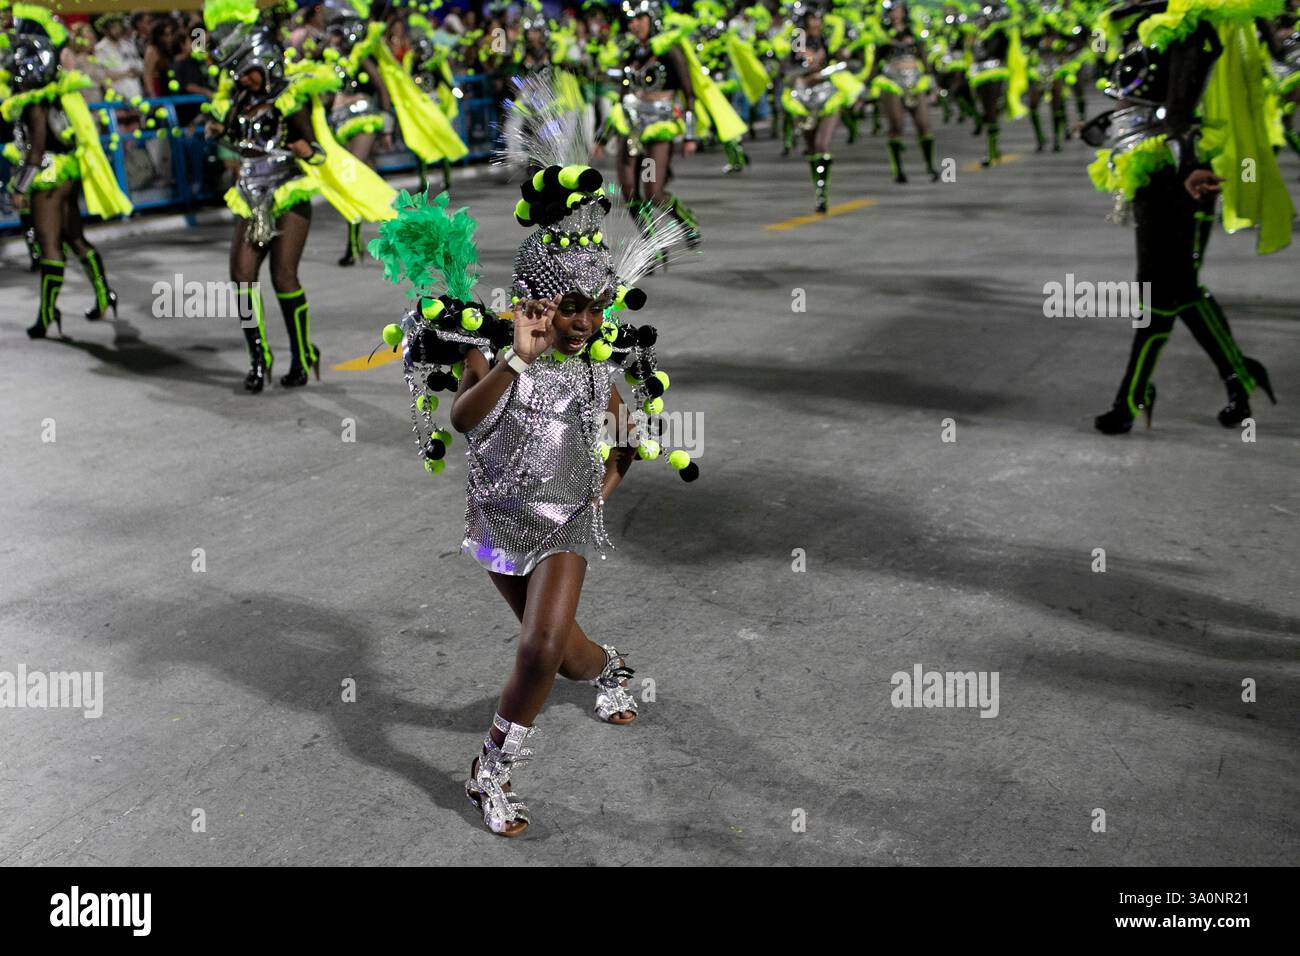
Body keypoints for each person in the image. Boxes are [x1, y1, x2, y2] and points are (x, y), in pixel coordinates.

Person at [371, 76, 700, 836]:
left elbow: (622, 438)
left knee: (539, 646)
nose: (588, 320)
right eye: (572, 307)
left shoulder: (595, 359)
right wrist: (518, 359)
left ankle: (489, 769)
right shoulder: (490, 346)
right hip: (496, 518)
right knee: (562, 656)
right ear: (537, 303)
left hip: (565, 524)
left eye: (597, 304)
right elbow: (463, 422)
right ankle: (609, 666)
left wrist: (599, 494)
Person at [1084, 0, 1292, 433]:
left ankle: (1133, 397)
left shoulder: (1188, 22)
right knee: (1174, 287)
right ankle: (1237, 375)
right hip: (1145, 163)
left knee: (1161, 288)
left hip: (1177, 169)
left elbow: (1182, 104)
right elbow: (1140, 92)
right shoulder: (1140, 19)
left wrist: (1190, 166)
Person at [202, 0, 397, 391]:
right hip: (250, 196)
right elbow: (241, 138)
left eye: (250, 71)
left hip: (288, 194)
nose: (245, 78)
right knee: (241, 277)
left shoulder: (289, 97)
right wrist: (217, 131)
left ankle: (301, 354)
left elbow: (317, 148)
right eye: (240, 72)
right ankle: (259, 358)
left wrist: (306, 149)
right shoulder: (237, 100)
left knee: (282, 276)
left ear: (263, 61)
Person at [3, 5, 133, 337]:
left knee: (50, 246)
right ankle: (105, 296)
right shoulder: (58, 93)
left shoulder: (35, 101)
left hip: (48, 175)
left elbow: (36, 150)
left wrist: (19, 189)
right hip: (67, 170)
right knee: (74, 237)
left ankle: (47, 315)